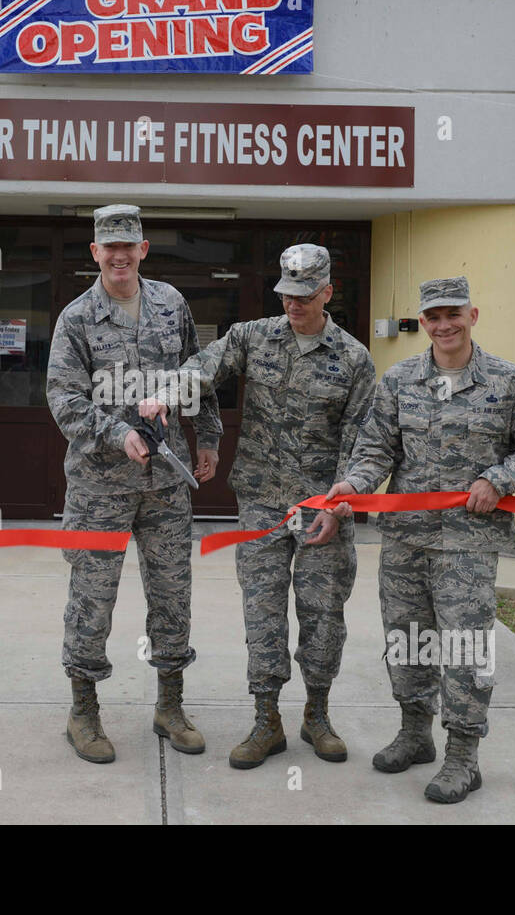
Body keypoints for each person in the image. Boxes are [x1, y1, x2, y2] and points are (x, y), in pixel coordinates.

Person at [140, 244, 376, 769]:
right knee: (263, 613)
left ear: (327, 293)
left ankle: (317, 715)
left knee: (323, 615)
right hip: (262, 503)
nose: (294, 304)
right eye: (287, 293)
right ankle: (266, 720)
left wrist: (339, 506)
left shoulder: (354, 358)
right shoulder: (253, 335)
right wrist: (168, 393)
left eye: (305, 294)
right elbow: (204, 368)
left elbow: (362, 442)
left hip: (322, 509)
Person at [324, 276, 515, 803]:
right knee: (406, 639)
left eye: (453, 313)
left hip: (468, 545)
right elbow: (376, 449)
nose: (443, 324)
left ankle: (463, 755)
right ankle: (414, 732)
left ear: (472, 315)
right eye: (433, 316)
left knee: (465, 647)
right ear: (423, 323)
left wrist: (496, 479)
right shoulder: (400, 379)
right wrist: (355, 485)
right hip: (407, 539)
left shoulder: (507, 381)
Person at [47, 204, 222, 764]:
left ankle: (169, 706)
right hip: (100, 490)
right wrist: (116, 432)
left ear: (143, 249)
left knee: (173, 596)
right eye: (108, 248)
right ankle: (83, 711)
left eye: (129, 247)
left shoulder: (171, 304)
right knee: (92, 601)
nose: (119, 256)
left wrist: (211, 437)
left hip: (166, 483)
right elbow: (64, 400)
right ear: (94, 253)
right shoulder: (76, 318)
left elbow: (198, 372)